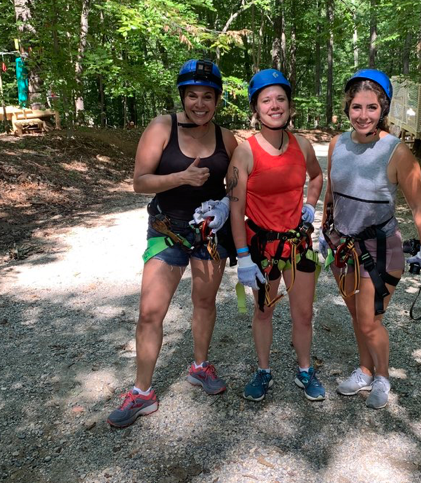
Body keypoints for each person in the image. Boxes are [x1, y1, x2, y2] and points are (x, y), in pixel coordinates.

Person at [107, 59, 238, 428]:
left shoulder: (227, 138)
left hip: (210, 236)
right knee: (150, 311)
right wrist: (181, 177)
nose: (200, 103)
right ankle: (142, 391)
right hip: (167, 231)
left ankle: (199, 366)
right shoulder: (162, 127)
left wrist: (227, 205)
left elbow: (242, 183)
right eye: (193, 95)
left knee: (204, 302)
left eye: (207, 96)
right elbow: (140, 182)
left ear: (217, 100)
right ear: (183, 97)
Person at [319, 69, 421, 409]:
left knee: (370, 319)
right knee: (357, 315)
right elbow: (332, 192)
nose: (363, 115)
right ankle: (365, 370)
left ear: (382, 109)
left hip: (378, 249)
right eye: (357, 107)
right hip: (342, 246)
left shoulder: (397, 153)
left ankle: (383, 377)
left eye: (372, 107)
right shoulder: (337, 144)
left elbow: (418, 205)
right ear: (347, 107)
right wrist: (324, 231)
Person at [227, 69, 325, 402]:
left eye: (280, 98)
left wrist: (310, 205)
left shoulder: (302, 145)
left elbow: (316, 177)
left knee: (304, 313)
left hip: (298, 245)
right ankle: (264, 371)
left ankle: (304, 370)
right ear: (255, 109)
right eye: (266, 100)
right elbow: (235, 207)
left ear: (289, 105)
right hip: (263, 248)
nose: (274, 105)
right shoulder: (245, 152)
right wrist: (242, 256)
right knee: (264, 311)